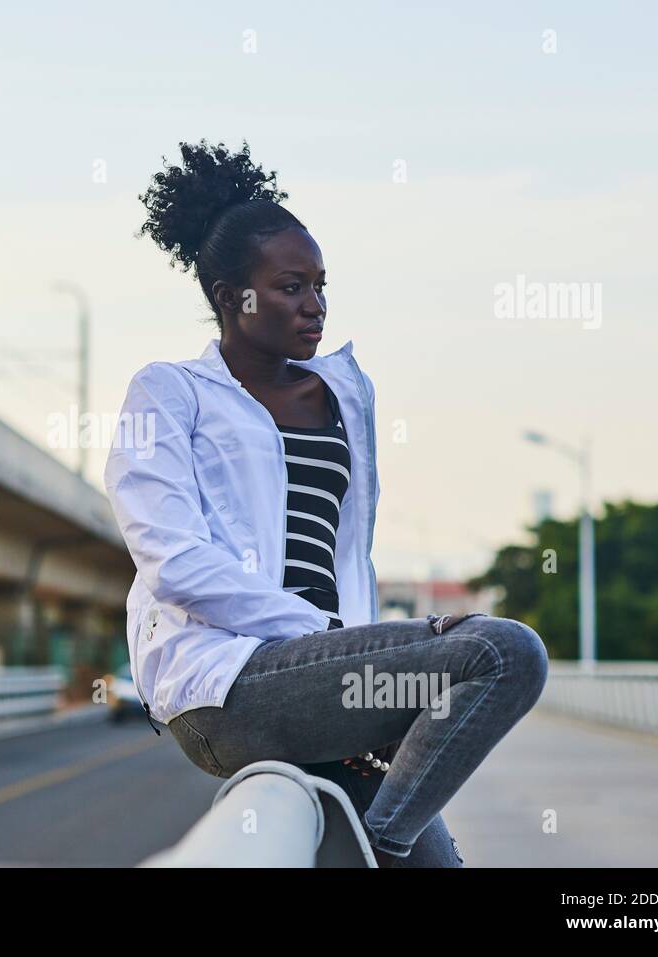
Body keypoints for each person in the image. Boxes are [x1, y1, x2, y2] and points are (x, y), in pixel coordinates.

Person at [103, 139, 549, 867]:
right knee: (502, 650)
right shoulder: (168, 392)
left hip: (327, 676)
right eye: (290, 287)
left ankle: (381, 840)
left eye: (320, 285)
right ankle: (375, 844)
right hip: (227, 684)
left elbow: (350, 554)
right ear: (229, 297)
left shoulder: (346, 392)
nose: (315, 307)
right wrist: (333, 636)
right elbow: (175, 563)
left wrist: (369, 648)